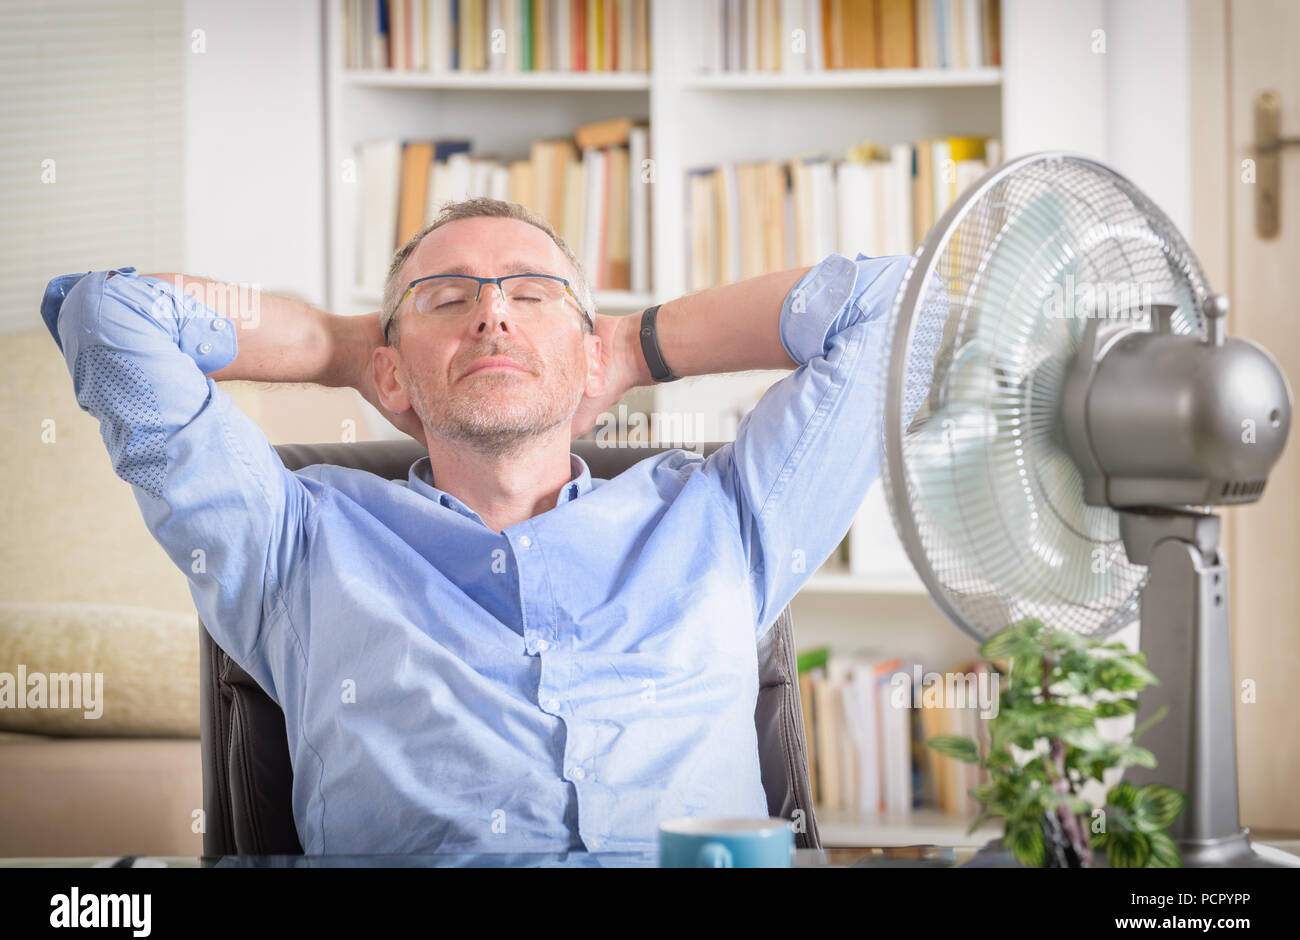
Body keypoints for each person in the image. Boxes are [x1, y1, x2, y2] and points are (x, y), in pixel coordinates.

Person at [39, 196, 926, 855]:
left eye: (532, 294)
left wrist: (631, 346)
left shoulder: (726, 514)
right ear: (390, 374)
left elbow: (902, 304)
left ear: (589, 358)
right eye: (447, 298)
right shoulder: (293, 544)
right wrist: (345, 348)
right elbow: (109, 316)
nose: (492, 312)